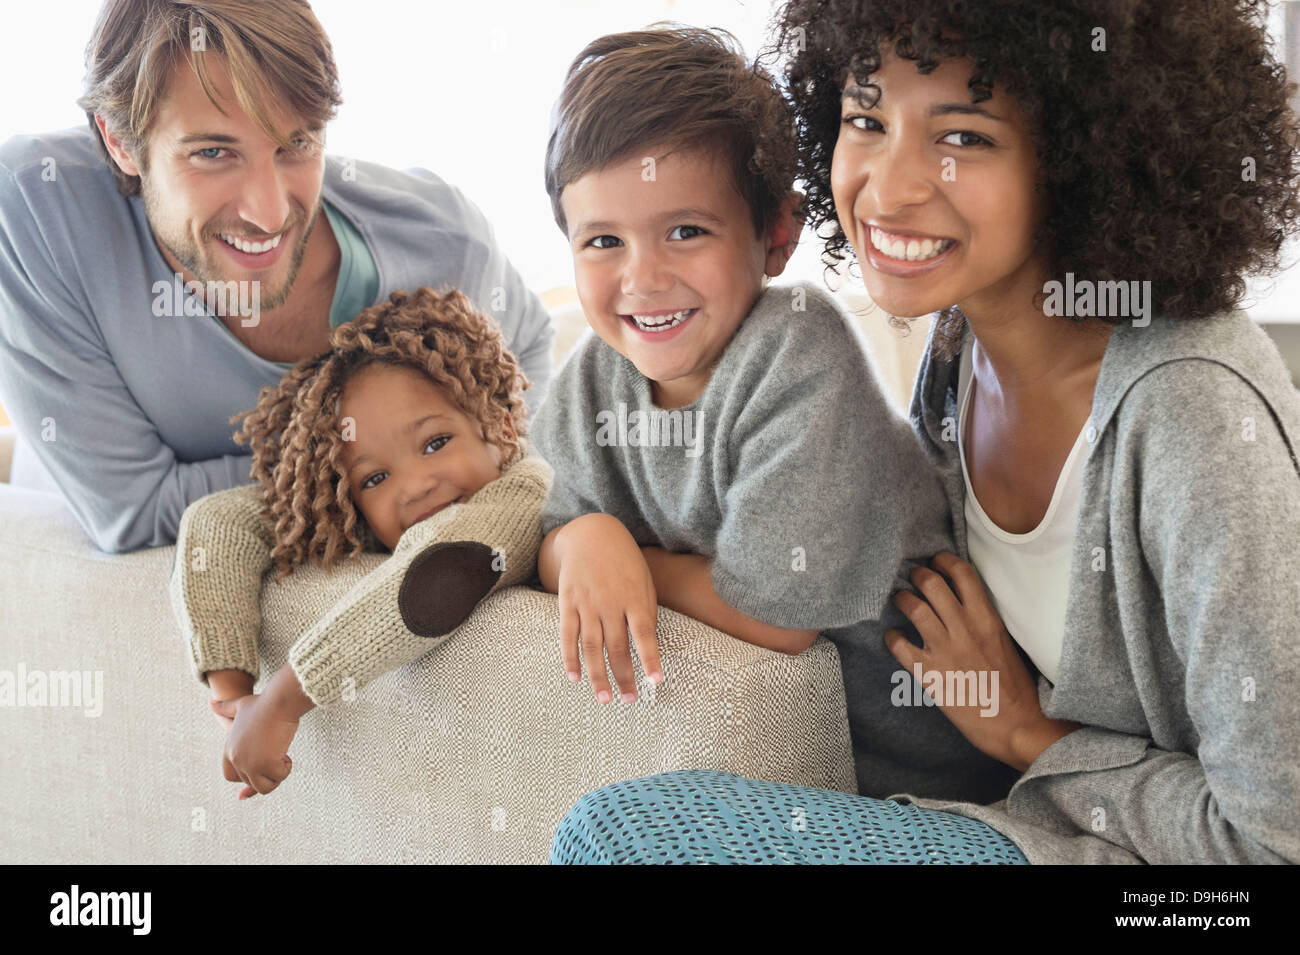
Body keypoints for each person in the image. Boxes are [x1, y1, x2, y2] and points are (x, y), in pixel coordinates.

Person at [551, 0, 1300, 864]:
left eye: (966, 138)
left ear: (1085, 160)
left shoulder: (1191, 412)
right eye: (867, 119)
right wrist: (582, 536)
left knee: (624, 837)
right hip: (994, 821)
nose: (890, 185)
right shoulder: (959, 351)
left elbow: (1274, 843)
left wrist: (1029, 734)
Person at [531, 25, 1022, 818]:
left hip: (947, 780)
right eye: (602, 241)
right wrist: (582, 540)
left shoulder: (798, 350)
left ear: (777, 234)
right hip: (796, 771)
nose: (642, 278)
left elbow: (775, 615)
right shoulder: (594, 376)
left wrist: (635, 563)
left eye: (685, 231)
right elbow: (537, 519)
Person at [0, 0, 553, 553]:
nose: (268, 215)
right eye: (213, 152)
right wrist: (361, 471)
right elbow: (133, 511)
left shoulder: (441, 240)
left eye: (297, 144)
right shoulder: (35, 205)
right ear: (120, 143)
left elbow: (527, 355)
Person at [170, 286, 552, 800]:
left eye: (436, 443)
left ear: (501, 429)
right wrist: (235, 696)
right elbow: (220, 522)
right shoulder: (377, 522)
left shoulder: (528, 490)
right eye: (374, 478)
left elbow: (441, 566)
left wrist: (283, 700)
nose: (415, 485)